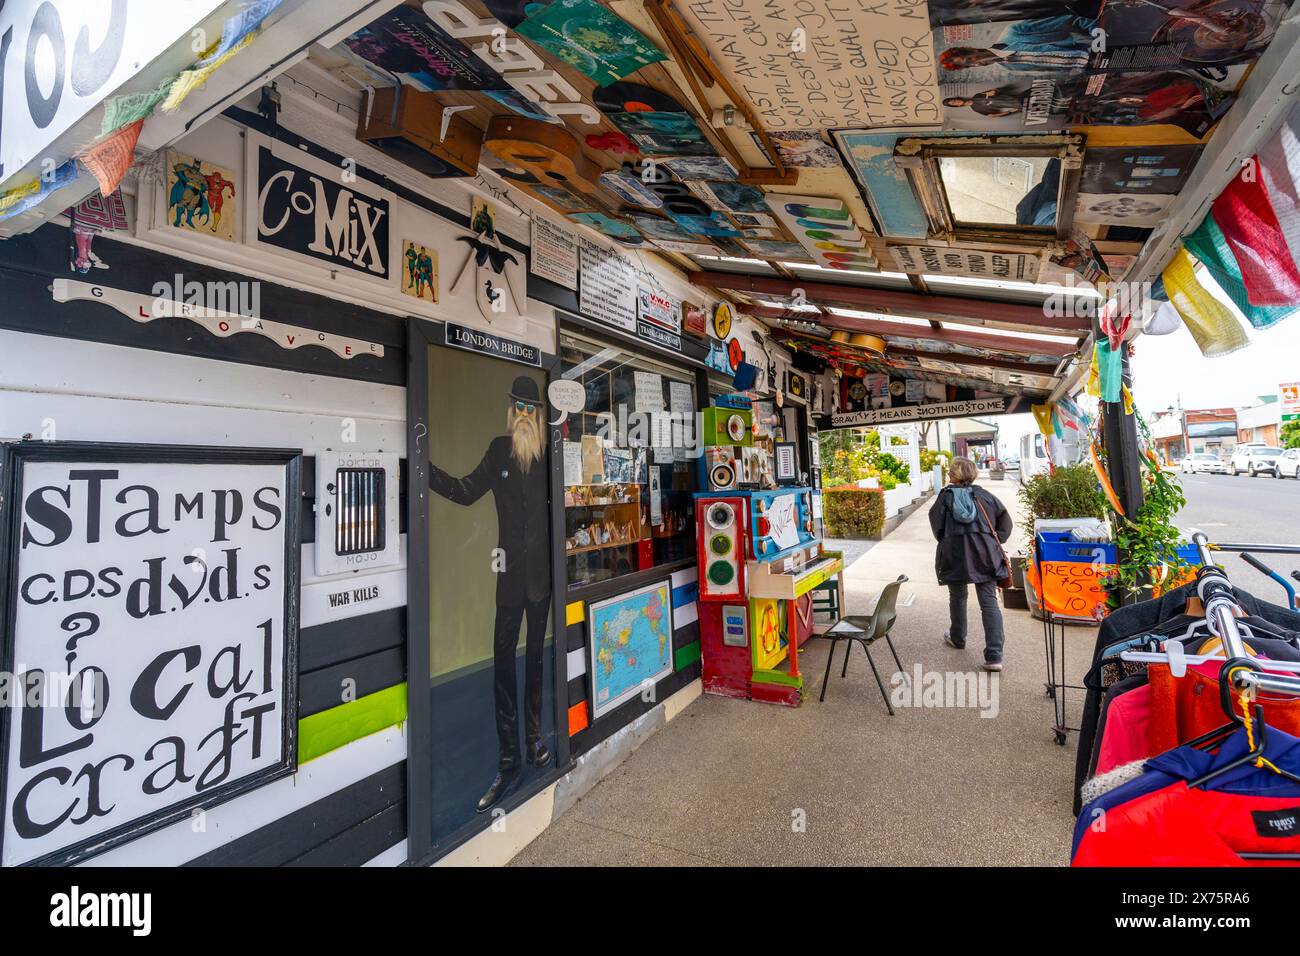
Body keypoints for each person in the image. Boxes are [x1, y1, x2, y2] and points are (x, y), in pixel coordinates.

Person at [428, 375, 552, 812]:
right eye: (516, 407)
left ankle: (535, 739)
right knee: (504, 667)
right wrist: (423, 467)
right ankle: (508, 760)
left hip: (543, 580)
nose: (522, 415)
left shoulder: (550, 457)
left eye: (529, 408)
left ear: (537, 415)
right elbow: (464, 492)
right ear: (510, 410)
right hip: (509, 579)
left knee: (535, 661)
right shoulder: (499, 451)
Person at [930, 457, 1013, 671]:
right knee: (989, 601)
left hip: (955, 554)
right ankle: (994, 657)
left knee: (957, 596)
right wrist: (993, 539)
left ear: (955, 474)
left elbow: (937, 527)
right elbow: (1005, 522)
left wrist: (949, 538)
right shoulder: (985, 496)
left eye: (950, 471)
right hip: (985, 554)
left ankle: (958, 637)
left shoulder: (945, 497)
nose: (948, 474)